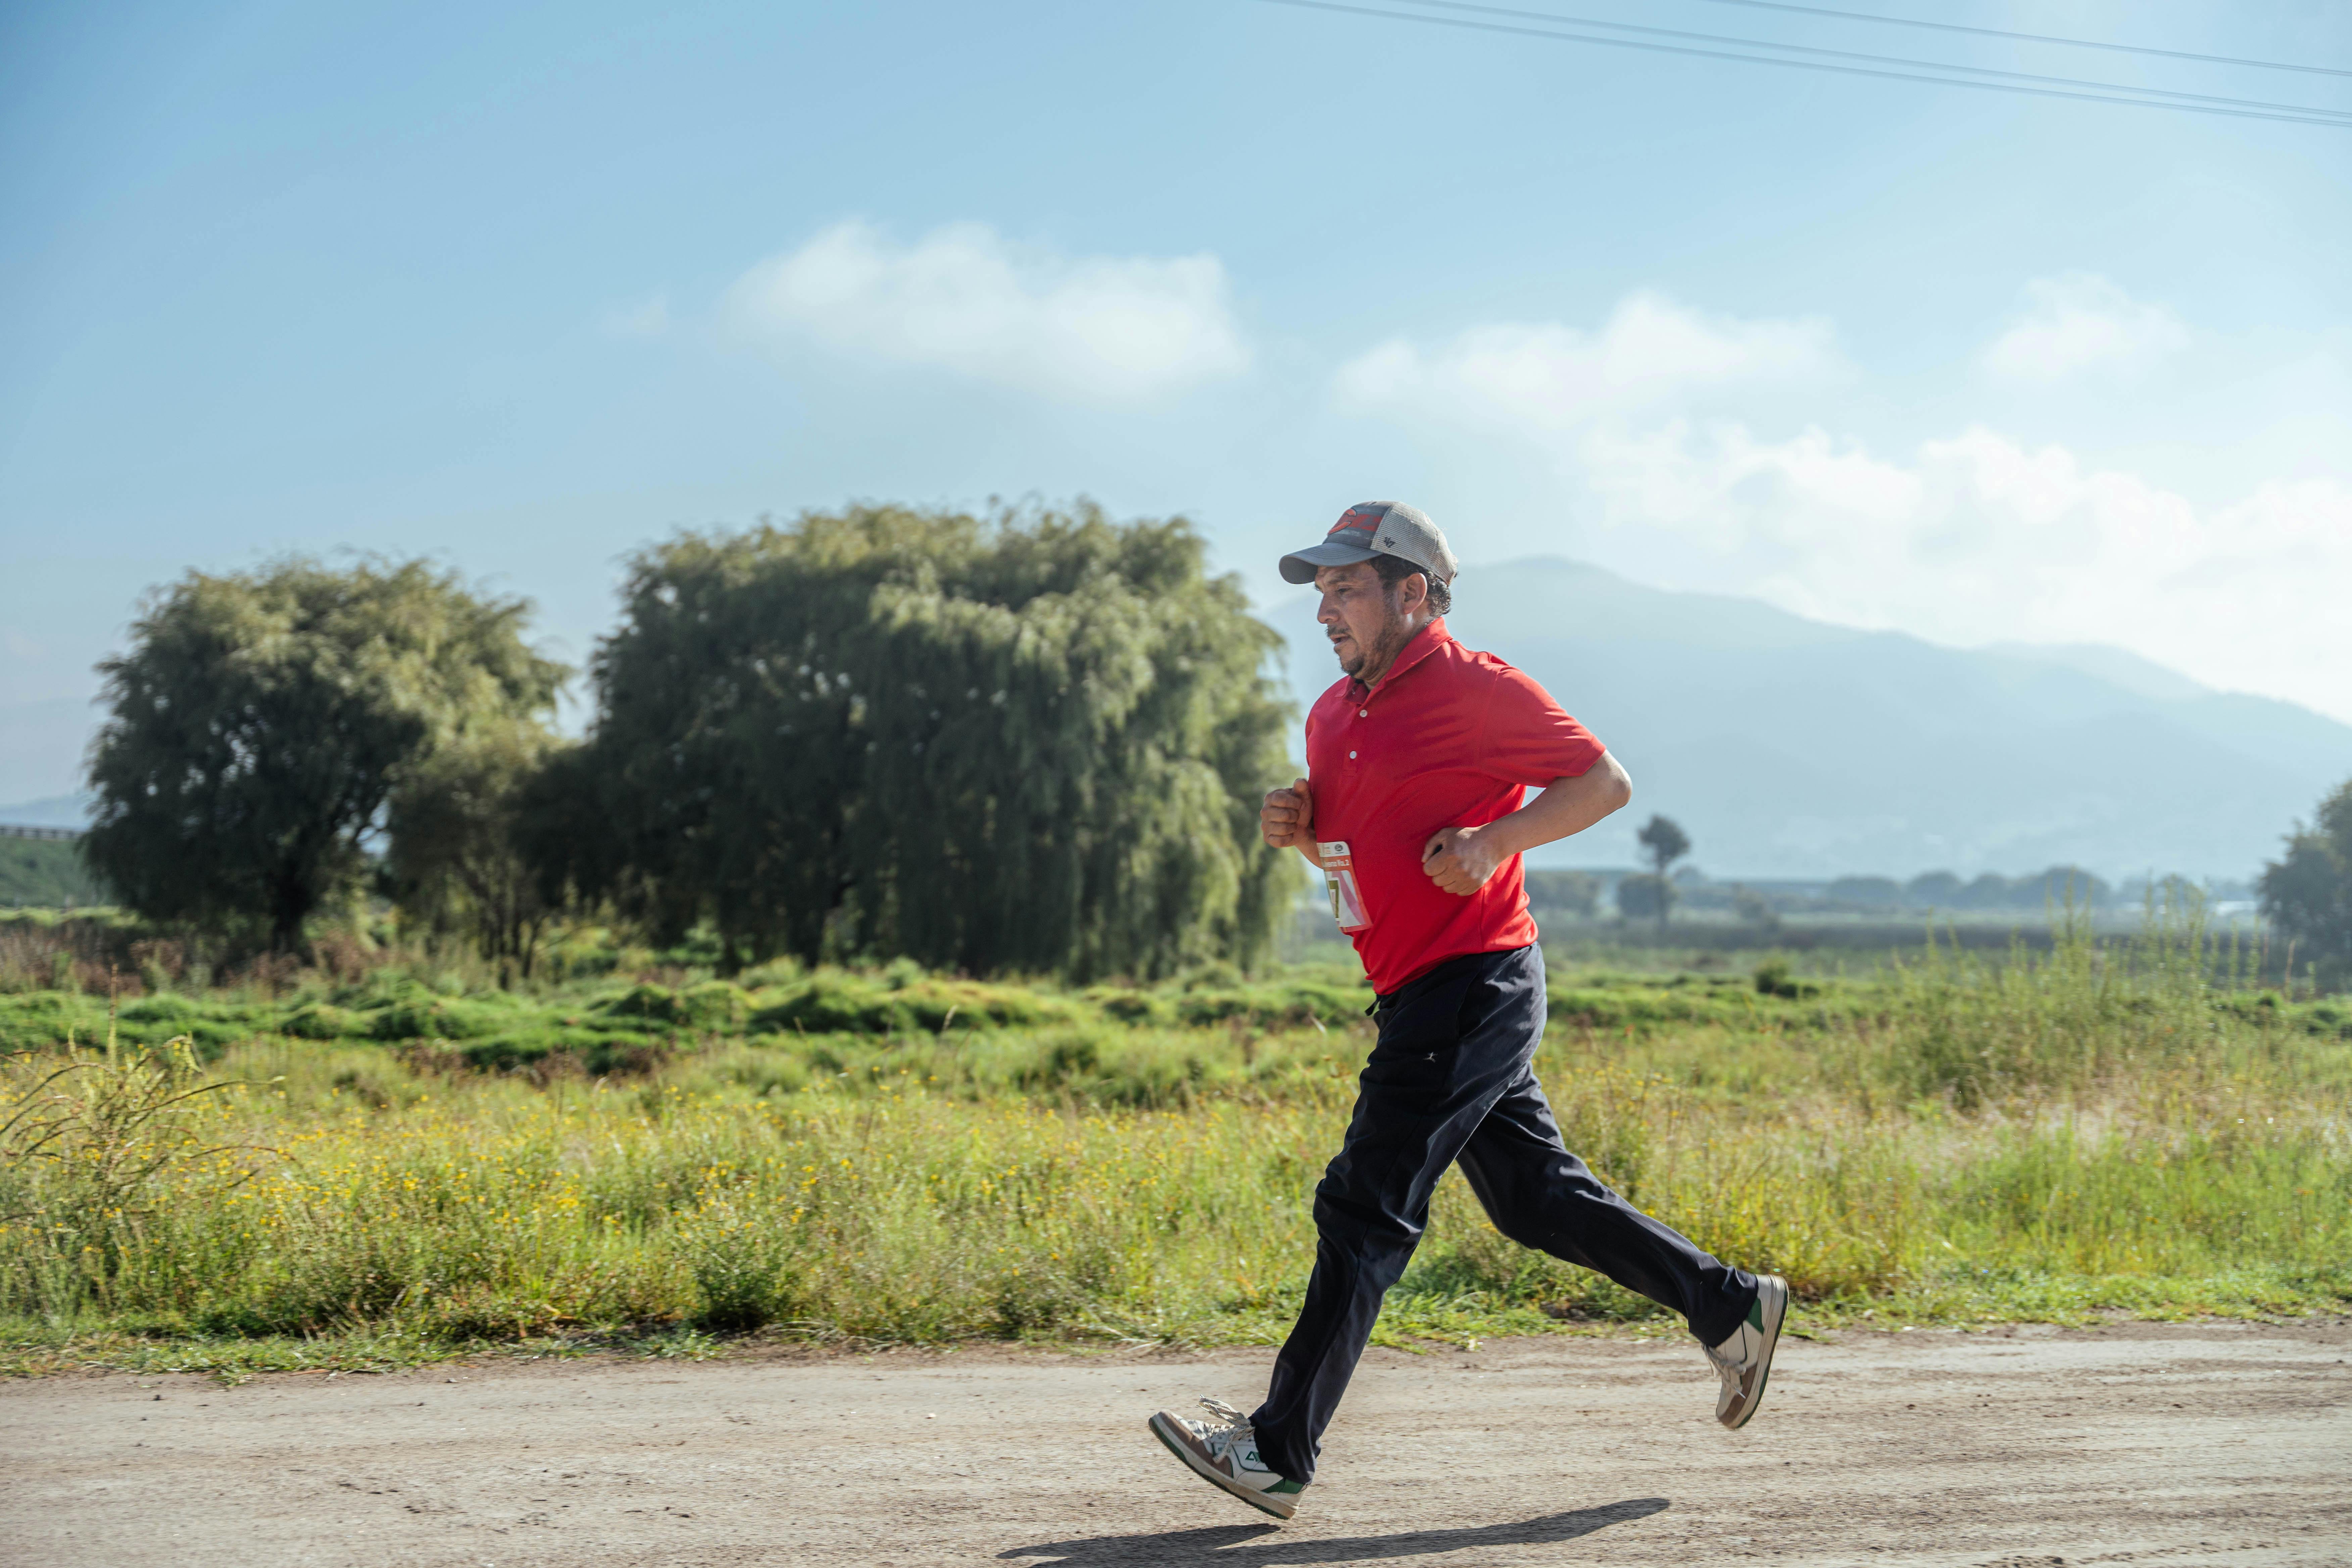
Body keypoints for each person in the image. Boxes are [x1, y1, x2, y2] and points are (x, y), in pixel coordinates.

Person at [1147, 502, 1787, 1522]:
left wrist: (1496, 843)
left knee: (1367, 1201)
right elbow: (1356, 859)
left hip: (1474, 979)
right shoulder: (1332, 714)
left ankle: (1276, 1450)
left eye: (1348, 589)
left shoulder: (1475, 689)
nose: (1327, 612)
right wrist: (1298, 832)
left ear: (1415, 592)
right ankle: (1728, 1303)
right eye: (1322, 593)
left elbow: (1602, 782)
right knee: (1534, 1199)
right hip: (1412, 989)